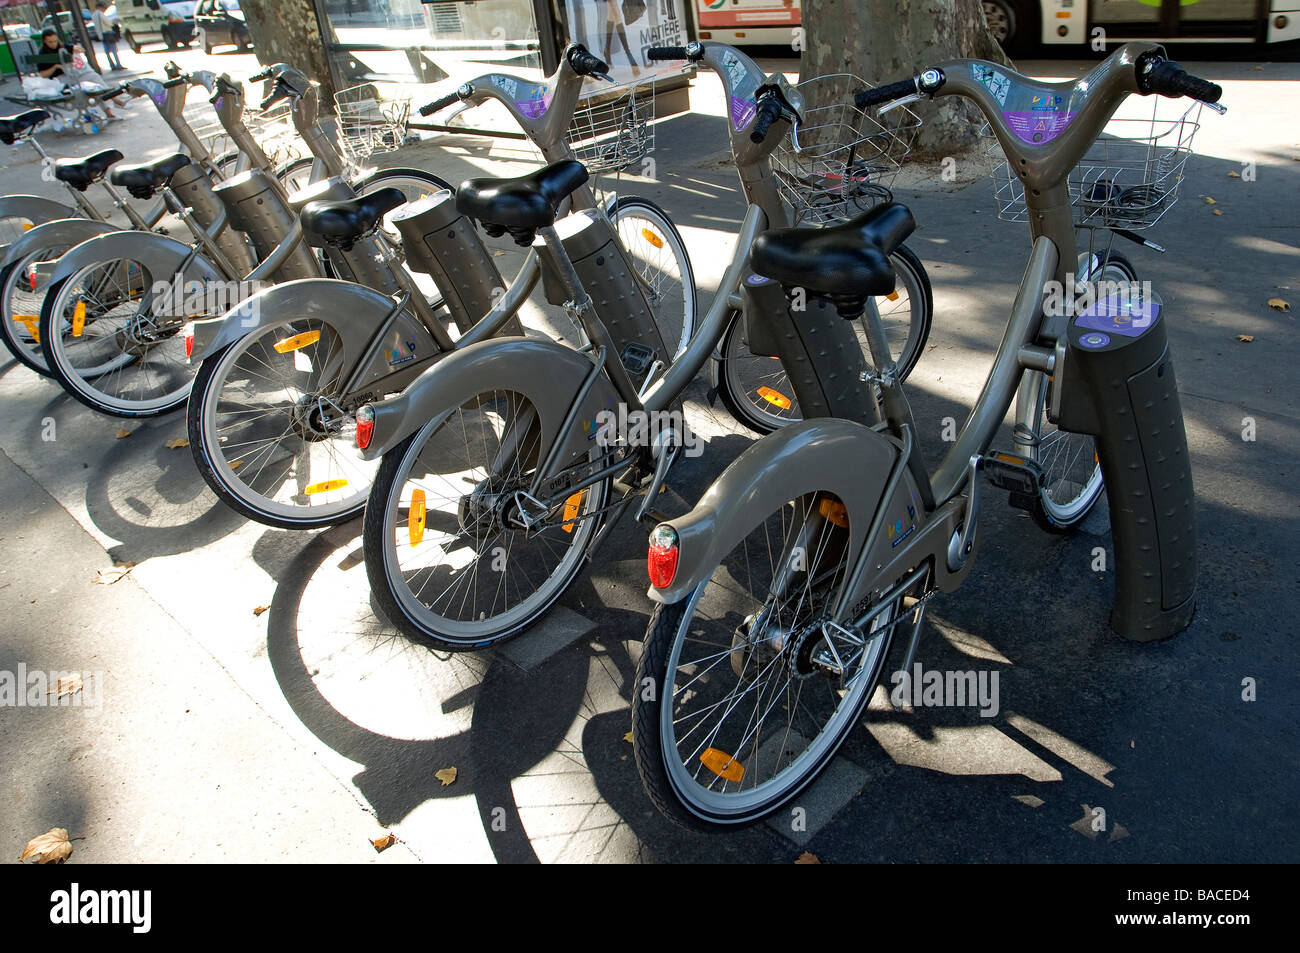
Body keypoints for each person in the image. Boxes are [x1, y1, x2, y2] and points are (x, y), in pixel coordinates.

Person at [36, 28, 129, 119]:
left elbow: (78, 49)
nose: (53, 44)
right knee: (92, 87)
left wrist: (76, 49)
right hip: (61, 80)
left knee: (94, 78)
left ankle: (113, 103)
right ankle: (114, 102)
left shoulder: (61, 47)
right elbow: (43, 74)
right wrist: (56, 66)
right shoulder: (42, 54)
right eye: (50, 42)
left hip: (76, 74)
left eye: (55, 41)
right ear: (44, 41)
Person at [93, 2, 124, 72]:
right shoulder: (100, 14)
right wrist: (112, 23)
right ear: (100, 7)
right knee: (114, 50)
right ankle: (118, 65)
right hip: (107, 33)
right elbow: (108, 23)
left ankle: (111, 65)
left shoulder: (94, 15)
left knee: (107, 51)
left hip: (101, 35)